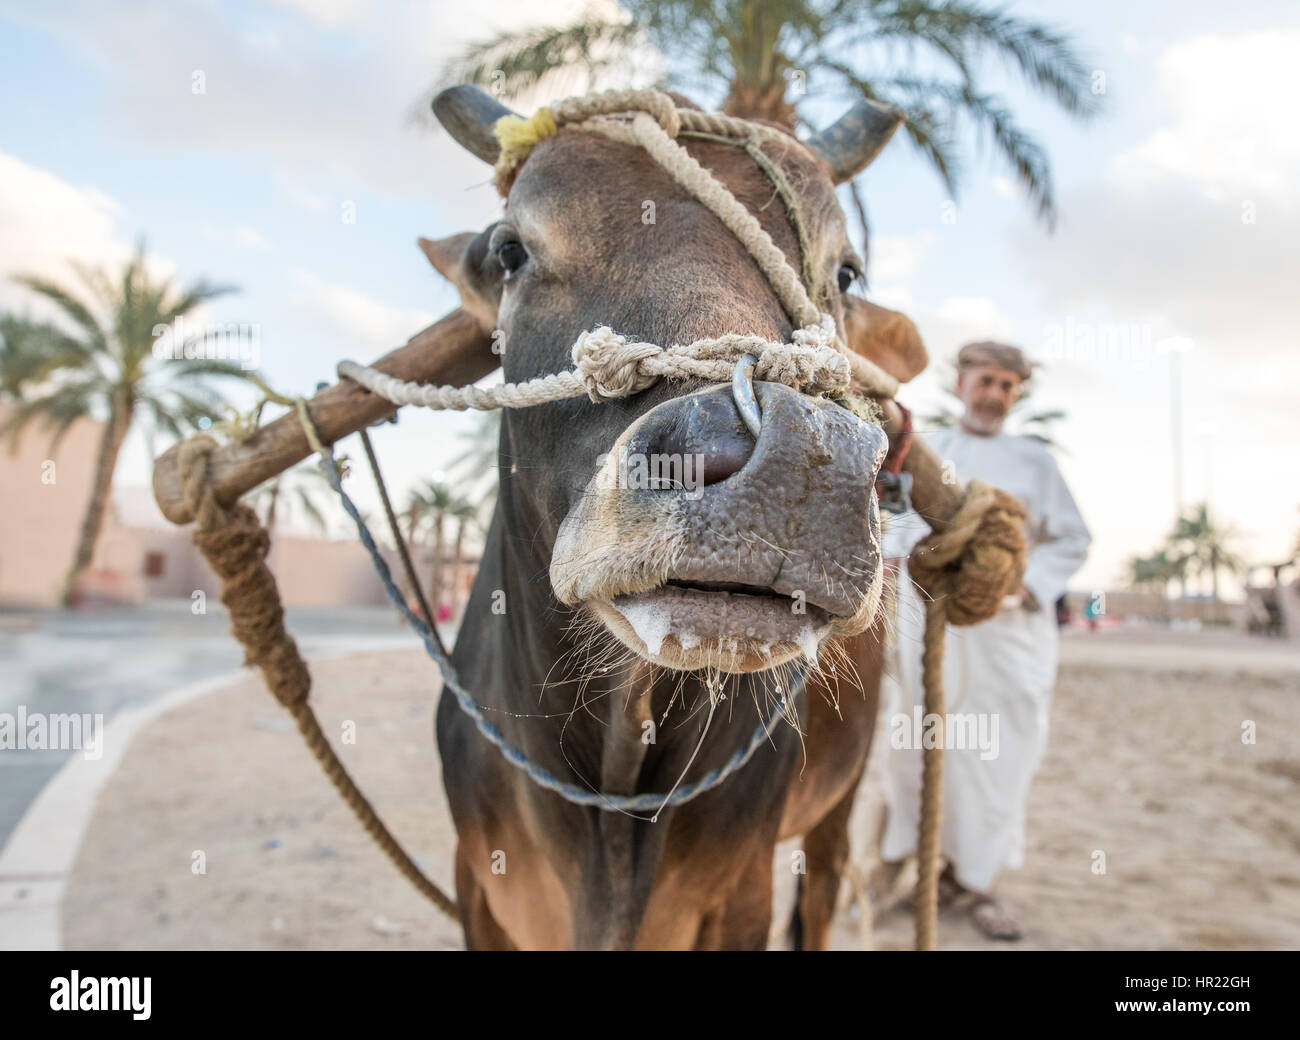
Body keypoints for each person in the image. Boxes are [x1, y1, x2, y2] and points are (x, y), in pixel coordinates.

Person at [879, 340, 1091, 940]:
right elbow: (893, 513)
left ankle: (980, 883)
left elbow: (1072, 540)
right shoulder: (927, 449)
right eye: (985, 381)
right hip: (930, 624)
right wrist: (894, 560)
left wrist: (1023, 588)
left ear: (1016, 393)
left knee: (1000, 757)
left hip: (1007, 635)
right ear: (959, 382)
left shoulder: (1036, 462)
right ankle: (910, 868)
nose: (994, 395)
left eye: (1006, 385)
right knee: (914, 747)